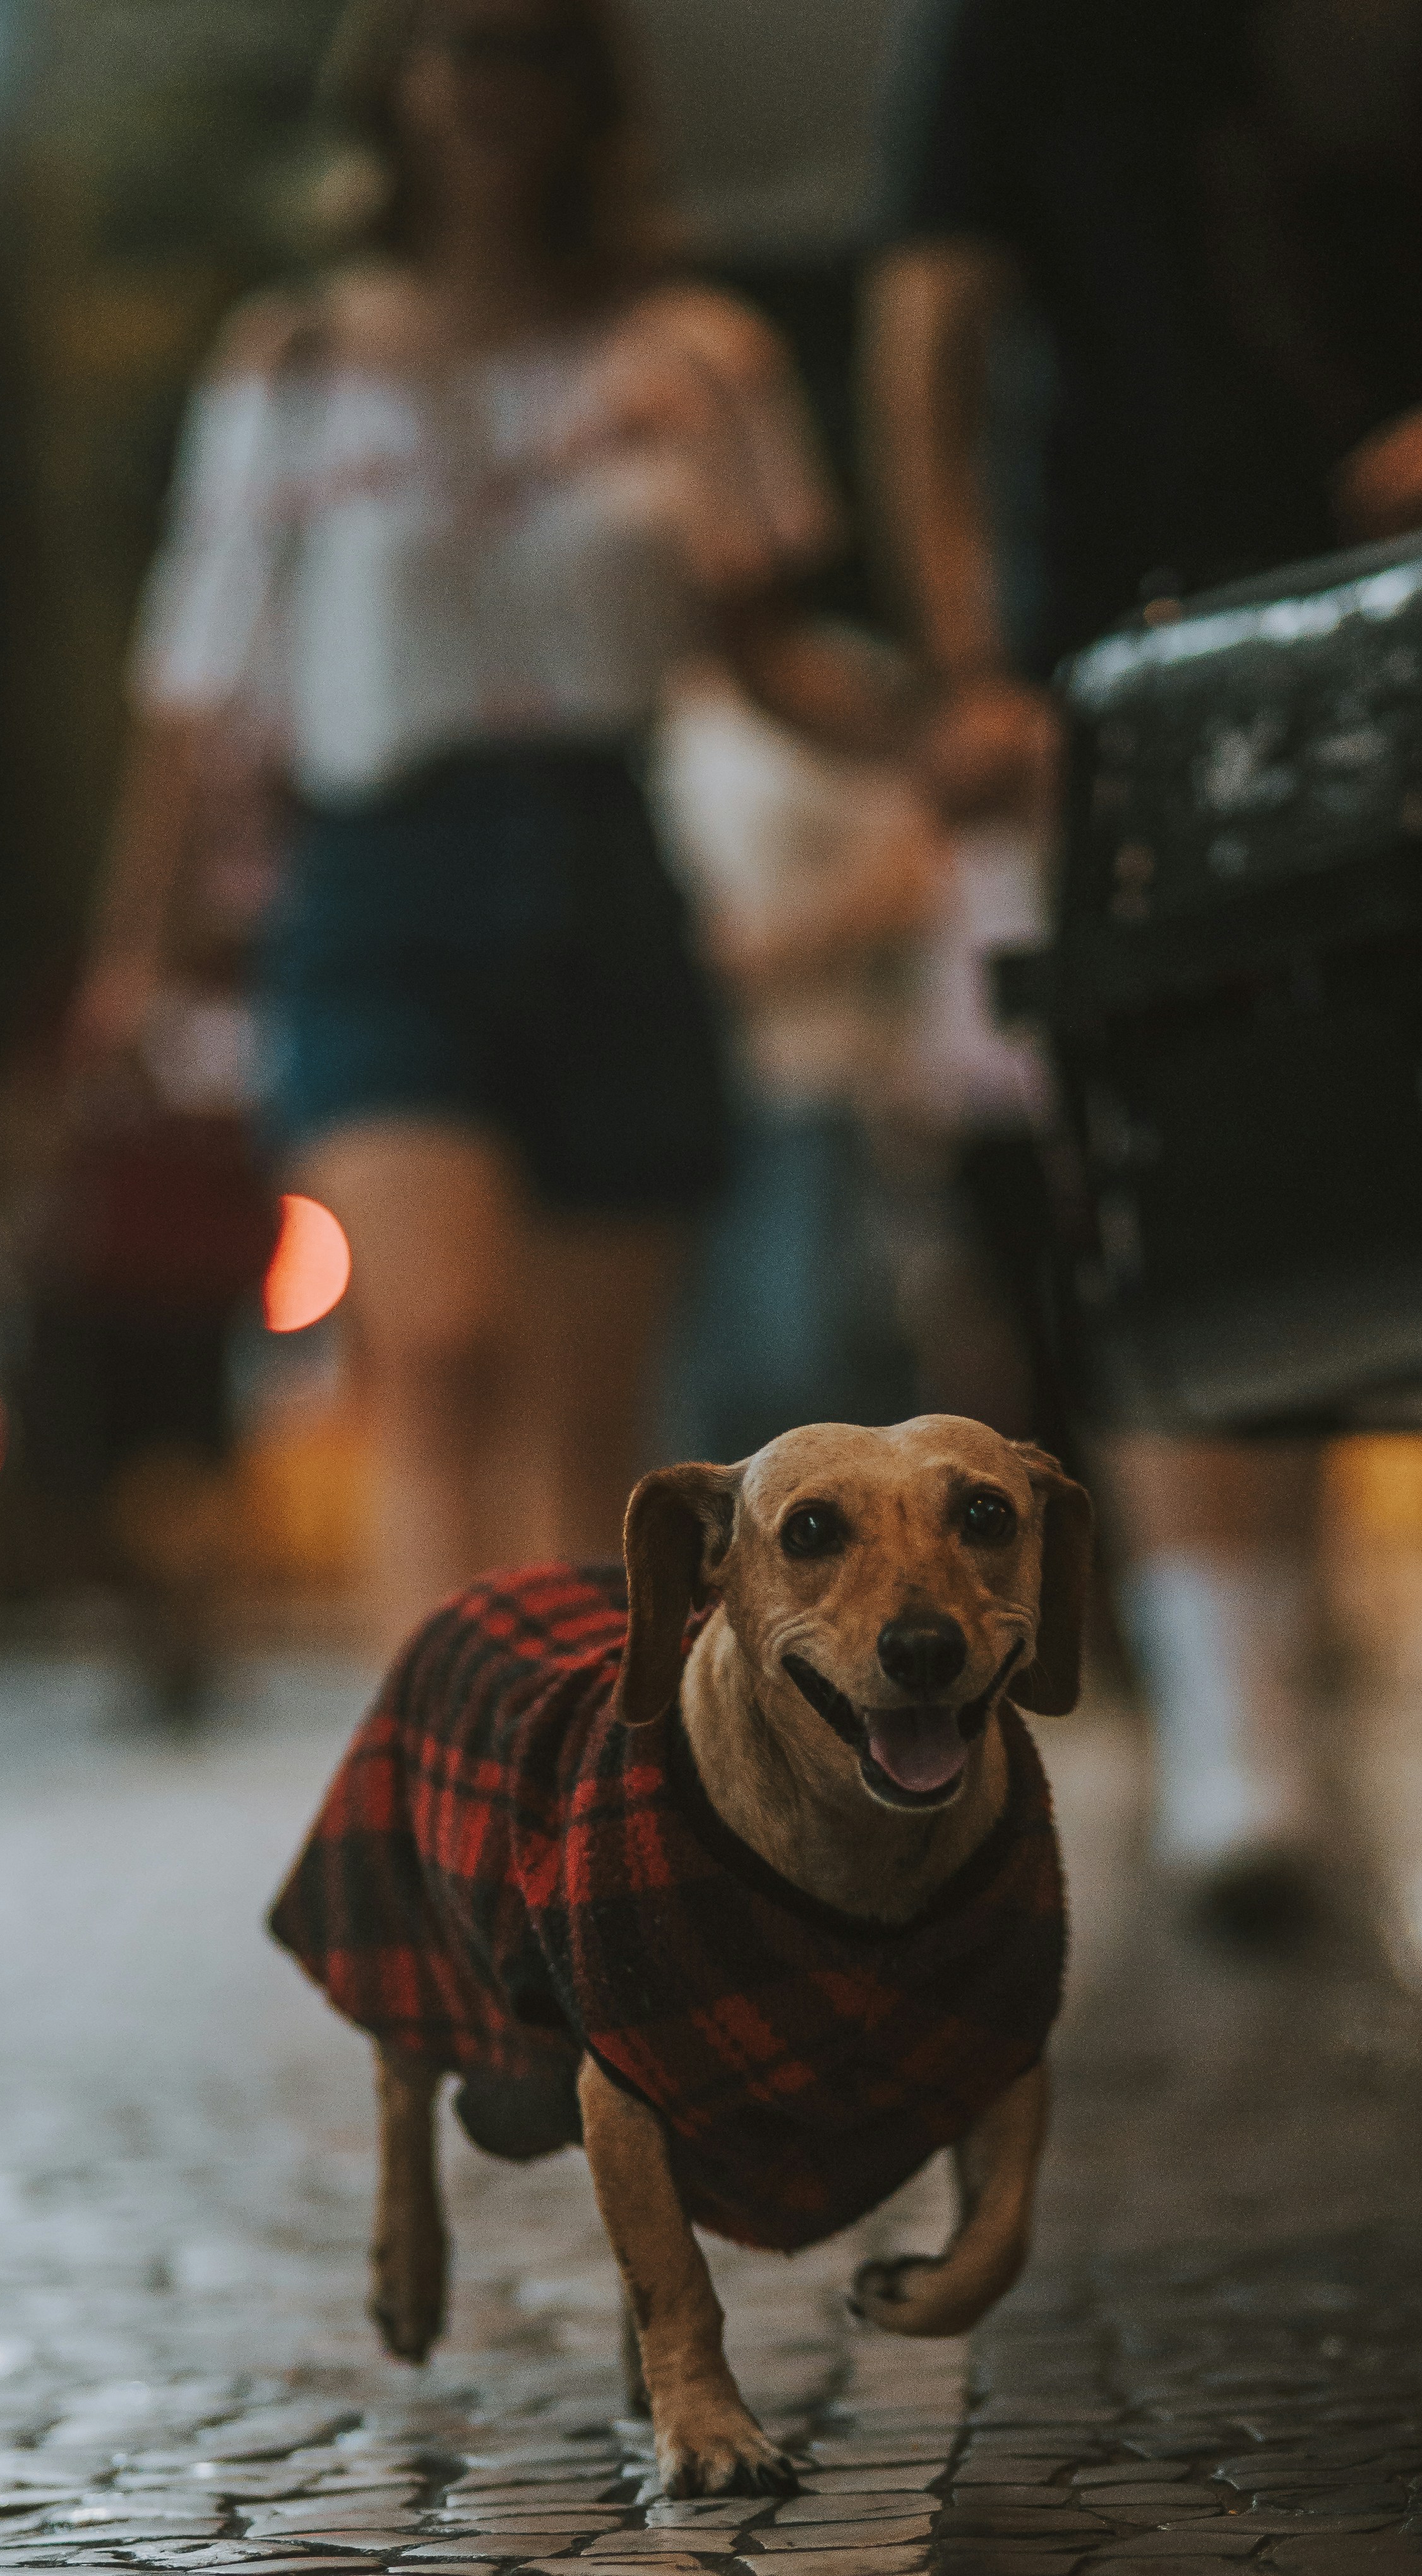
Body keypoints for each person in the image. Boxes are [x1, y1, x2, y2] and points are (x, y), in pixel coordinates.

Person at [78, 0, 905, 1649]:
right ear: (394, 81)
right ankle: (445, 1791)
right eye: (456, 44)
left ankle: (574, 1812)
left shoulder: (693, 357)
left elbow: (770, 658)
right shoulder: (296, 364)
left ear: (588, 90)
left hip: (607, 854)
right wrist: (133, 951)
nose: (490, 86)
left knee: (587, 1426)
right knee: (437, 1347)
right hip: (383, 873)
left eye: (529, 47)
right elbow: (194, 685)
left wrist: (950, 719)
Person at [868, 0, 1422, 1930]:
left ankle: (1269, 1673)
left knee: (1318, 1179)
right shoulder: (1012, 35)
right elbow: (927, 331)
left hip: (1402, 624)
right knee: (1159, 1176)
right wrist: (964, 654)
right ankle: (1233, 1706)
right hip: (1110, 655)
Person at [652, 659, 941, 1461]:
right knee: (689, 1375)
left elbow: (914, 863)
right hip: (665, 1089)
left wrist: (772, 945)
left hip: (810, 1075)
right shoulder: (629, 700)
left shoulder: (828, 686)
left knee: (807, 1354)